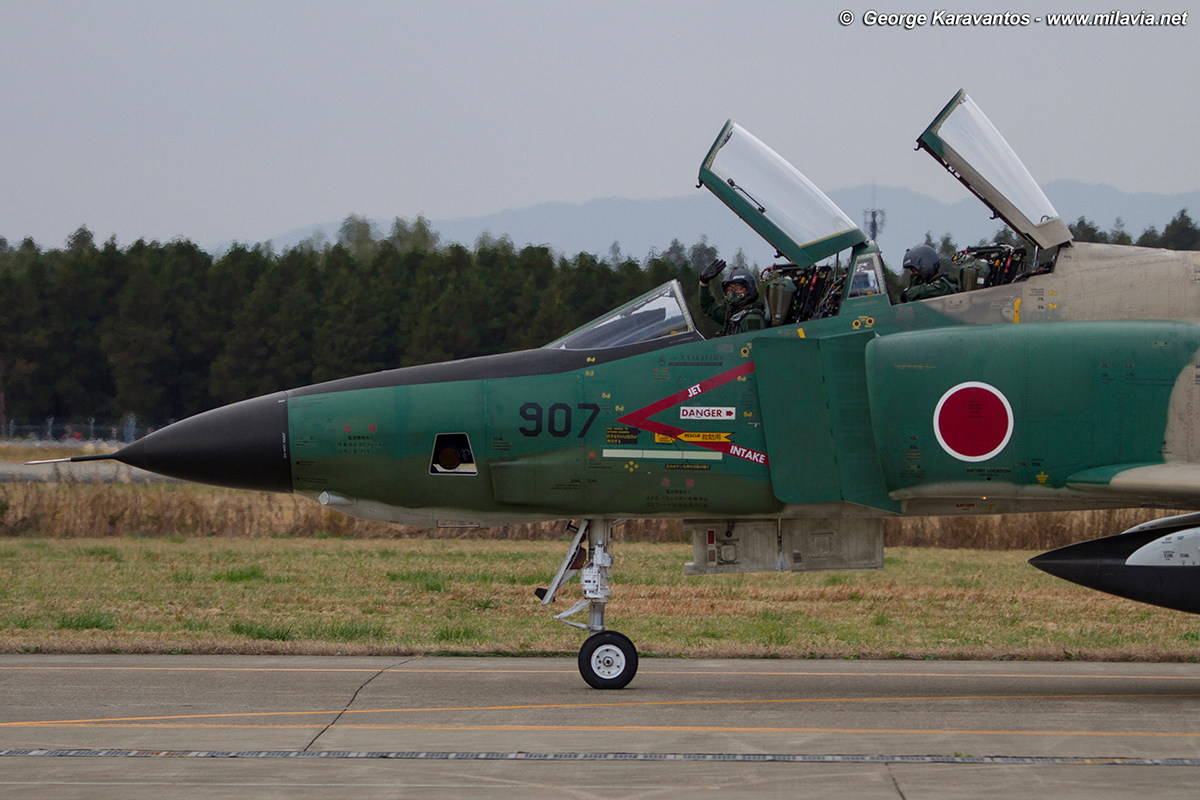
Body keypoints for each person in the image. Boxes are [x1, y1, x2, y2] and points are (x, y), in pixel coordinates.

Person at [697, 260, 767, 336]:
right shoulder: (731, 314)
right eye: (729, 289)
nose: (733, 292)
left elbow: (754, 342)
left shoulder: (752, 319)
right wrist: (703, 282)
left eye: (738, 287)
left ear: (749, 289)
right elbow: (708, 306)